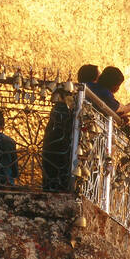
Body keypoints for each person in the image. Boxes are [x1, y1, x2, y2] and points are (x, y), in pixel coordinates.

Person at [40, 63, 99, 191]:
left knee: (54, 175)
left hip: (56, 143)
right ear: (94, 80)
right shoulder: (79, 98)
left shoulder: (70, 99)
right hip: (62, 144)